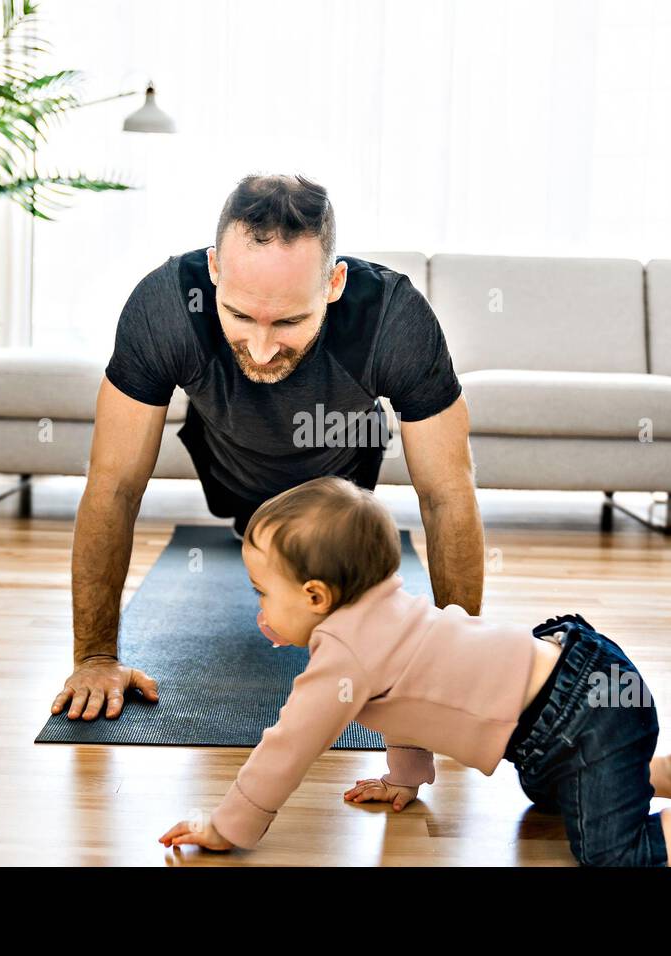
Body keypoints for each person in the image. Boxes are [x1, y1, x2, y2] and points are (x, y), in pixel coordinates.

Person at [158, 476, 671, 867]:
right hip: (572, 690)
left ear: (314, 597)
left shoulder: (345, 653)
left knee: (611, 856)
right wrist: (404, 779)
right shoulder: (381, 618)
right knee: (549, 796)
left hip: (581, 713)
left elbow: (289, 744)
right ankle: (669, 773)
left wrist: (230, 824)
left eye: (260, 592)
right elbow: (408, 703)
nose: (256, 608)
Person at [52, 173, 486, 722]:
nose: (260, 349)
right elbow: (112, 487)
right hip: (226, 461)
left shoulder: (393, 319)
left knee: (324, 561)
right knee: (259, 541)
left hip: (339, 479)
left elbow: (448, 492)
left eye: (289, 321)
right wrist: (94, 656)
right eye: (238, 315)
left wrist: (459, 663)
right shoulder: (164, 306)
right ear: (213, 270)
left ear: (334, 284)